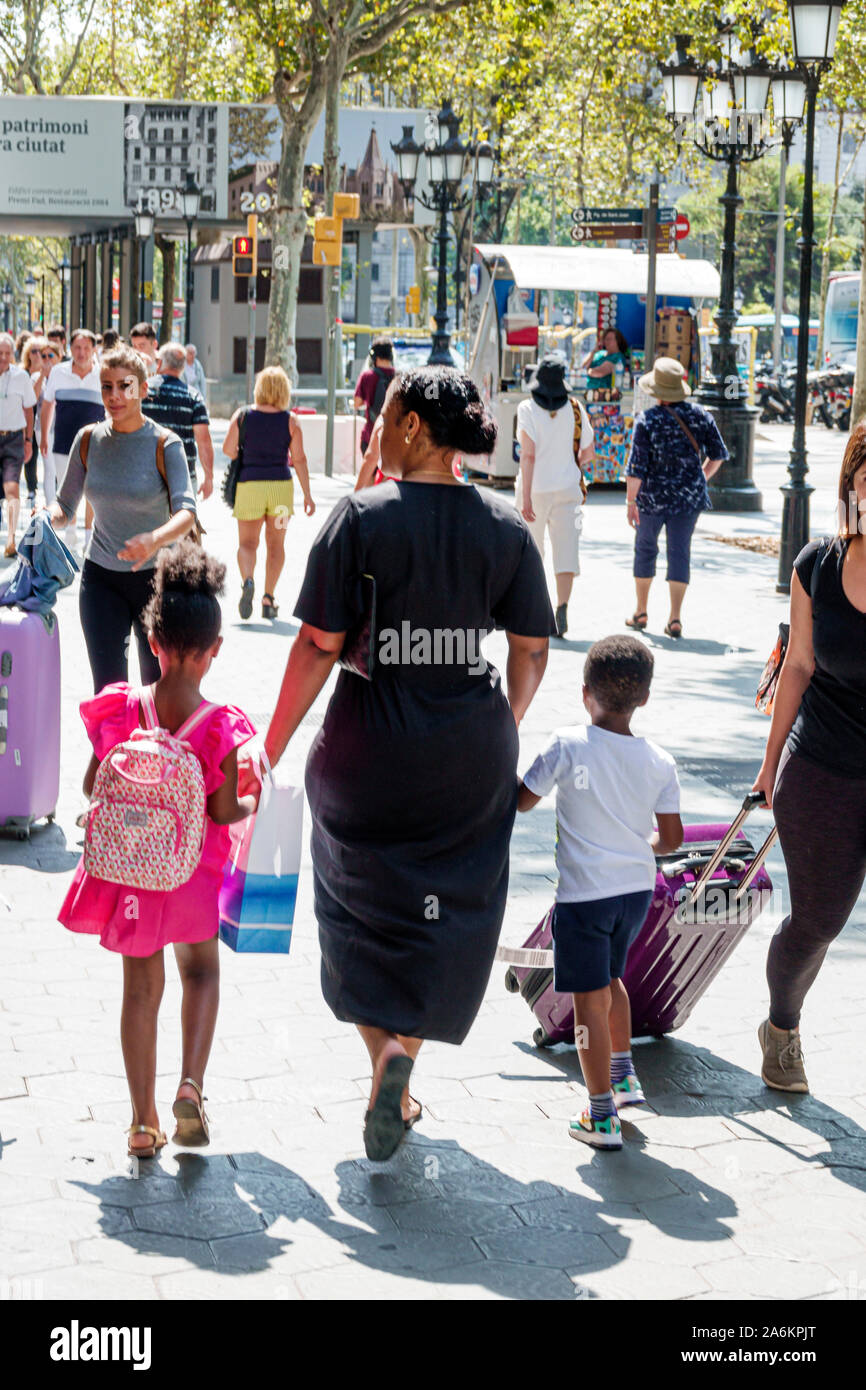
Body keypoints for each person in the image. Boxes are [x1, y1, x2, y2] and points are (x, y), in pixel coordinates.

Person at [259, 368, 555, 1163]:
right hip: (468, 763)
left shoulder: (359, 518)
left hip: (366, 757)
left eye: (385, 417)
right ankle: (405, 1062)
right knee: (445, 917)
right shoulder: (506, 530)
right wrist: (503, 723)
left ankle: (384, 1056)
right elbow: (531, 650)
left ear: (417, 428)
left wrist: (274, 744)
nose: (375, 432)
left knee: (354, 909)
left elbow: (319, 645)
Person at [58, 541, 257, 1157]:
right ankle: (191, 1088)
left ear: (153, 642)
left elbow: (95, 785)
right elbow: (224, 811)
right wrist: (252, 806)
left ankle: (143, 1123)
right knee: (200, 973)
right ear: (214, 651)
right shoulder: (221, 726)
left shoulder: (126, 709)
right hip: (192, 876)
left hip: (134, 879)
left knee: (139, 992)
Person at [517, 635, 682, 1149]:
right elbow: (672, 839)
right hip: (636, 891)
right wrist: (633, 844)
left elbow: (521, 801)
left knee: (587, 999)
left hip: (585, 898)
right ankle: (625, 1074)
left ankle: (601, 1115)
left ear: (584, 692)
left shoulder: (568, 745)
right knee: (611, 981)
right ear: (645, 698)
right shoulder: (658, 760)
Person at [752, 422, 866, 1095]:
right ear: (853, 486)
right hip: (822, 767)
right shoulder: (817, 566)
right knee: (820, 921)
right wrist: (769, 767)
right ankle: (783, 1027)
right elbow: (796, 667)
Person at [46, 345, 197, 693]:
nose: (115, 395)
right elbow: (66, 506)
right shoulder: (88, 440)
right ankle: (109, 750)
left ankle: (151, 748)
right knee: (109, 692)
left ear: (143, 389)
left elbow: (187, 511)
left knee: (156, 687)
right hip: (100, 581)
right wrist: (46, 516)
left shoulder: (165, 443)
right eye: (107, 386)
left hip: (156, 582)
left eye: (125, 385)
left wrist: (155, 539)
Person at [624, 357, 727, 639]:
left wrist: (630, 502)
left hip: (651, 499)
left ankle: (641, 611)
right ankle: (675, 618)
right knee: (680, 552)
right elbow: (718, 454)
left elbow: (636, 468)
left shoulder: (647, 420)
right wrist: (701, 477)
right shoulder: (700, 415)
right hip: (688, 500)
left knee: (645, 549)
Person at [222, 365, 315, 622]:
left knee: (247, 544)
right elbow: (300, 459)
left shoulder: (242, 416)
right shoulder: (291, 421)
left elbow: (228, 449)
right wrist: (307, 495)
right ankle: (268, 598)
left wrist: (247, 449)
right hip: (281, 492)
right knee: (277, 546)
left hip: (250, 487)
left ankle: (248, 580)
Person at [516, 354, 594, 638]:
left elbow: (527, 454)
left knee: (533, 552)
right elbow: (588, 452)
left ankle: (539, 609)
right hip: (568, 490)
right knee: (566, 552)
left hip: (535, 490)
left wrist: (525, 498)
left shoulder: (527, 409)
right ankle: (562, 607)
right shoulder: (576, 409)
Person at [40, 328, 104, 522]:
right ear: (70, 348)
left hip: (95, 444)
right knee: (69, 492)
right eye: (77, 347)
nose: (81, 352)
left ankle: (87, 537)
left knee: (93, 492)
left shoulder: (103, 374)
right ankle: (70, 534)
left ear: (94, 349)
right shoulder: (58, 372)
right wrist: (43, 436)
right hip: (63, 442)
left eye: (86, 347)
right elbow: (48, 404)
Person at [142, 343, 214, 498]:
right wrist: (209, 477)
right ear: (182, 367)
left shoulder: (144, 391)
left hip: (146, 473)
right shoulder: (193, 396)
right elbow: (204, 440)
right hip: (183, 474)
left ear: (160, 362)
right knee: (183, 520)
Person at [0, 332, 36, 558]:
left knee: (11, 488)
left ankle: (11, 539)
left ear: (13, 354)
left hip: (13, 438)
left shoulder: (21, 377)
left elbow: (29, 409)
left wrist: (29, 440)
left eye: (6, 353)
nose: (3, 357)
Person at [353, 338, 395, 458]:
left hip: (371, 435)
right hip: (394, 439)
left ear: (374, 357)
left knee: (371, 474)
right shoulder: (400, 377)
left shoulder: (367, 376)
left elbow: (357, 403)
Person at [21, 335, 49, 508]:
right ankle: (32, 489)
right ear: (28, 354)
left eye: (41, 351)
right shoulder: (23, 374)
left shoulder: (51, 374)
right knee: (29, 456)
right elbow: (31, 398)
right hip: (26, 421)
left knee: (47, 458)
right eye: (34, 351)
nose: (38, 354)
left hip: (45, 424)